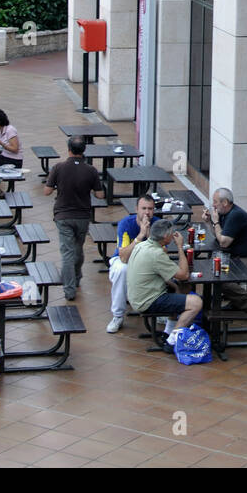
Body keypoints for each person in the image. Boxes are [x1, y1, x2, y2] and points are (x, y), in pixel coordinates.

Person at [42, 137, 105, 300]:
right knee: (78, 248)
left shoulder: (58, 167)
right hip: (83, 216)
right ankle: (76, 278)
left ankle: (69, 290)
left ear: (69, 149)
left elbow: (46, 191)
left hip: (63, 215)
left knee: (67, 253)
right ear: (84, 151)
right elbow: (100, 194)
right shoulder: (91, 170)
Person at [126, 219, 202, 343]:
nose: (173, 236)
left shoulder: (142, 245)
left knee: (181, 288)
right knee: (196, 302)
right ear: (166, 236)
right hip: (147, 301)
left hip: (137, 297)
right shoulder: (156, 254)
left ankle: (168, 331)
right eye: (172, 234)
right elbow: (184, 274)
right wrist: (179, 247)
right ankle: (172, 341)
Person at [207, 187, 247, 312]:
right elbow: (218, 236)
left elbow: (223, 243)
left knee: (221, 279)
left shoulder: (236, 215)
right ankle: (237, 301)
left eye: (215, 201)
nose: (213, 205)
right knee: (215, 271)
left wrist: (216, 222)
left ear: (225, 202)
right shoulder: (225, 214)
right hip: (238, 258)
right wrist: (210, 221)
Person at [108, 194, 159, 333]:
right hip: (125, 260)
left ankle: (161, 311)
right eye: (143, 208)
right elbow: (123, 256)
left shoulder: (158, 224)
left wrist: (149, 236)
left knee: (165, 269)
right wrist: (140, 236)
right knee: (121, 270)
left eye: (150, 209)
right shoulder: (126, 224)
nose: (147, 212)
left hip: (148, 261)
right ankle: (117, 316)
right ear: (136, 209)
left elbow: (162, 253)